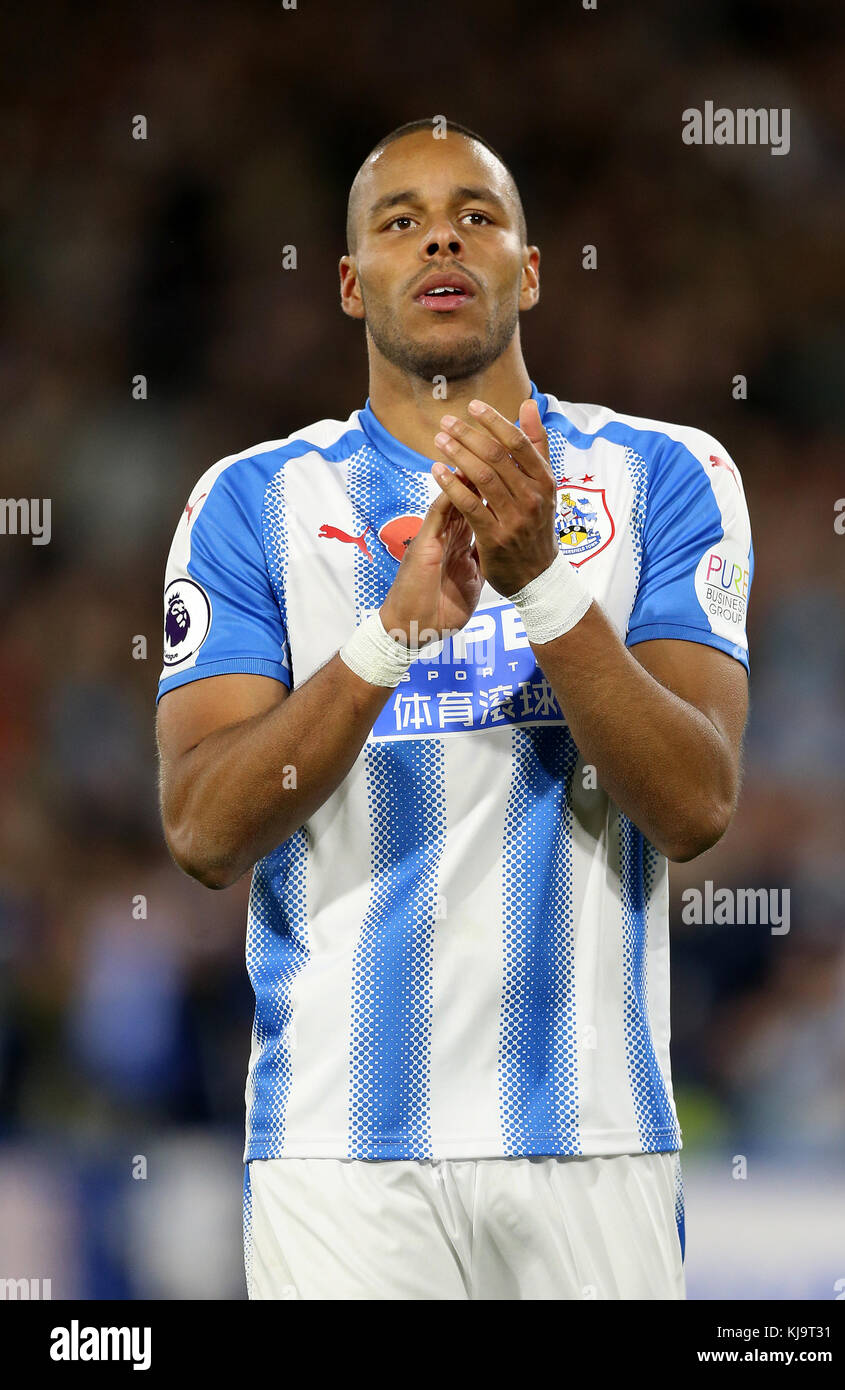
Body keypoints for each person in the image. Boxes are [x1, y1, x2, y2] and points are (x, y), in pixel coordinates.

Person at [155, 118, 752, 1300]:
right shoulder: (254, 503)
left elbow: (693, 804)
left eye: (478, 214)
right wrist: (389, 636)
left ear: (529, 271)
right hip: (339, 1158)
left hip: (592, 1143)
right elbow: (204, 831)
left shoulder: (668, 476)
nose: (442, 233)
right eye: (401, 219)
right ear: (350, 283)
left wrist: (541, 583)